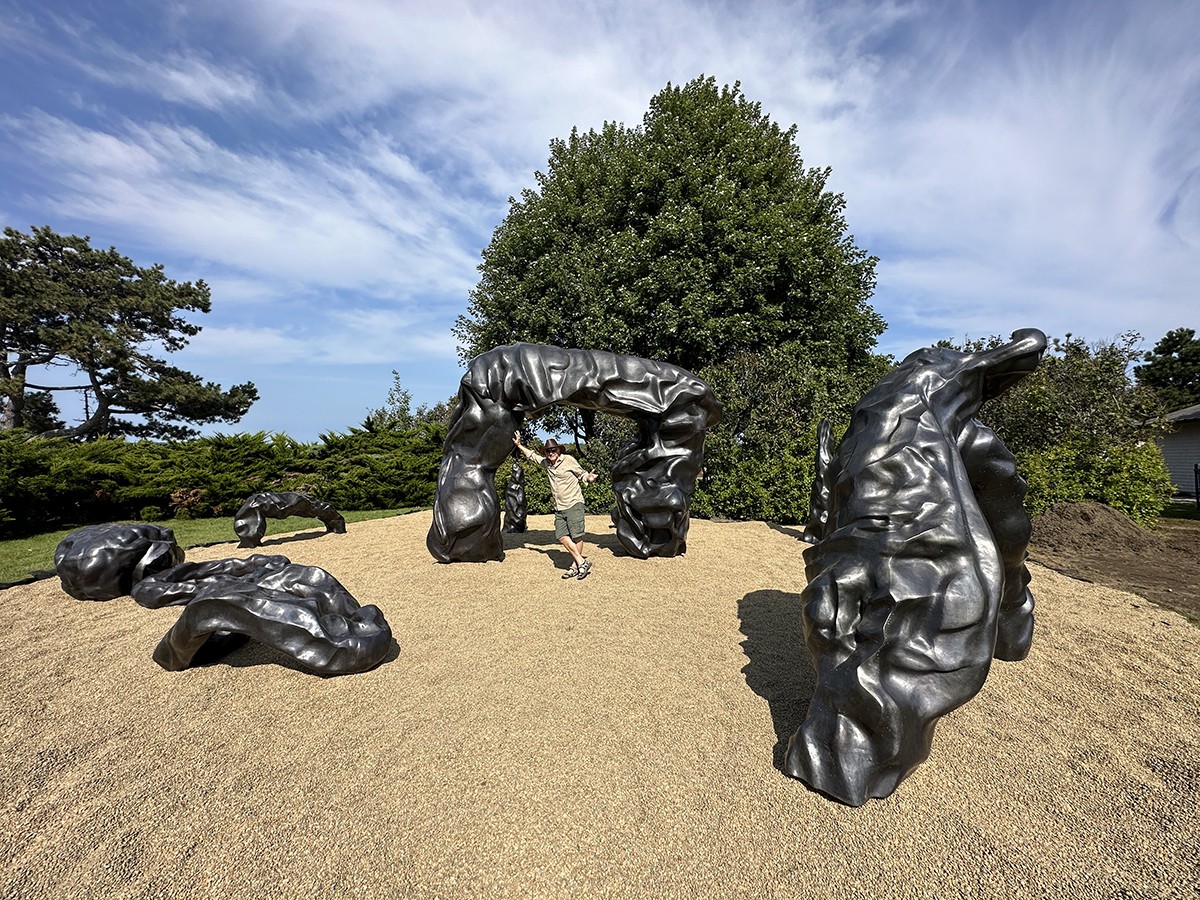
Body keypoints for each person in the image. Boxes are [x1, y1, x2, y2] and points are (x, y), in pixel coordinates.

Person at [513, 431, 598, 579]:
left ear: (558, 450)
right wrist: (519, 445)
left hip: (573, 503)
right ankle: (581, 562)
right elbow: (532, 456)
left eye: (553, 450)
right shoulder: (547, 463)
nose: (551, 453)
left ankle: (575, 567)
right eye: (548, 451)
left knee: (577, 536)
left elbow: (582, 474)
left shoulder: (569, 460)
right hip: (559, 506)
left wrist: (589, 478)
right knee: (561, 536)